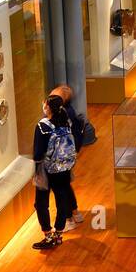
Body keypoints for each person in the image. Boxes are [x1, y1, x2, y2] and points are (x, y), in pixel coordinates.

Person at [32, 95, 78, 251]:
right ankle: (58, 234)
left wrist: (37, 169)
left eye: (44, 104)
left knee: (41, 203)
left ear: (48, 108)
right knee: (62, 200)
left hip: (46, 170)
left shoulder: (42, 127)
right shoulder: (66, 122)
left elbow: (38, 154)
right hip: (64, 168)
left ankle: (48, 235)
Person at [49, 85, 89, 224]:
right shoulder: (68, 113)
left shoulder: (61, 117)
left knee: (61, 188)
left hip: (60, 158)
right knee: (65, 185)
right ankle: (75, 212)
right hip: (67, 156)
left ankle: (67, 218)